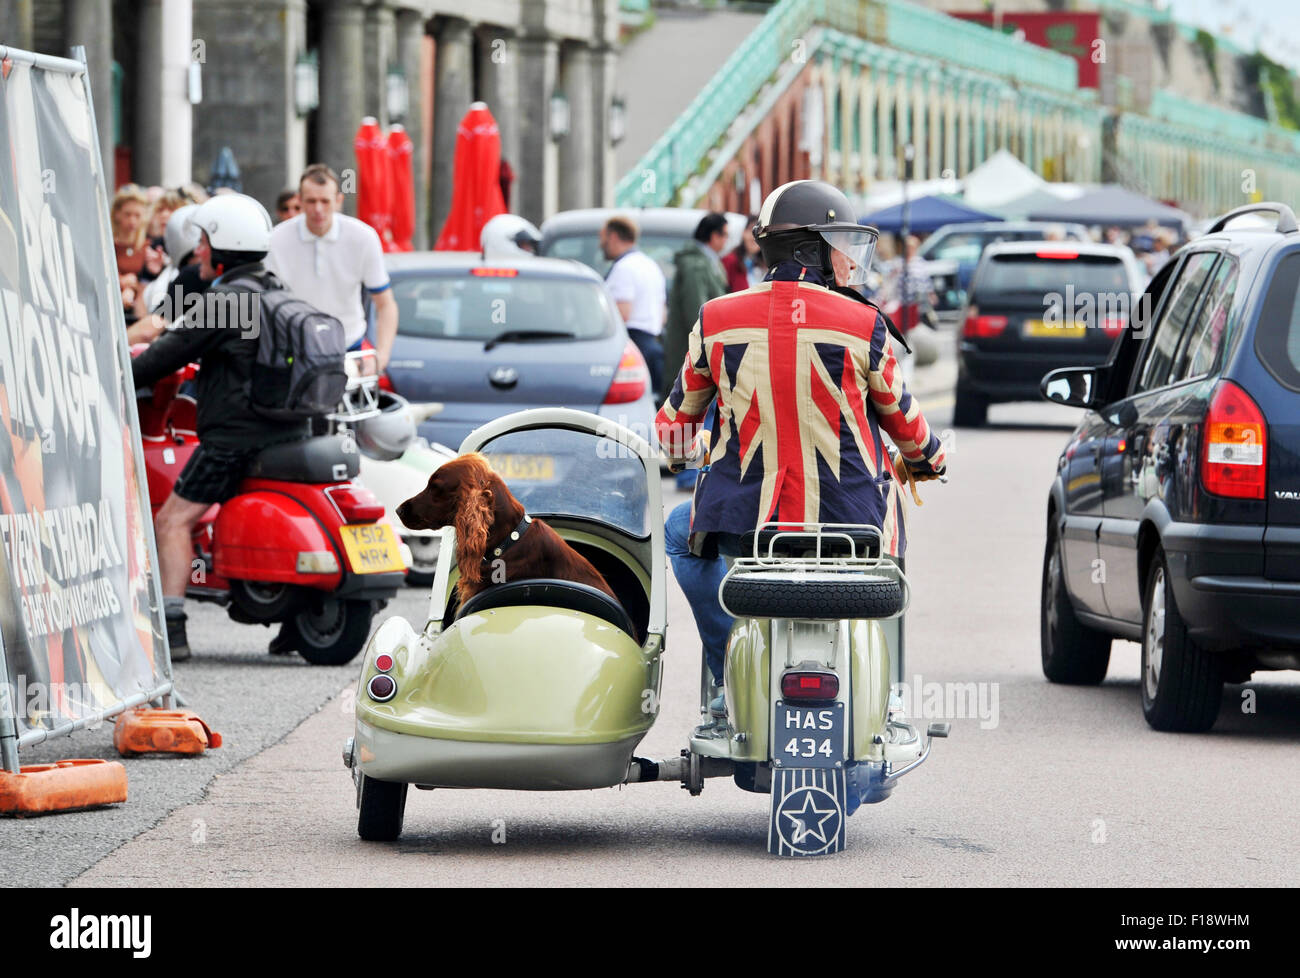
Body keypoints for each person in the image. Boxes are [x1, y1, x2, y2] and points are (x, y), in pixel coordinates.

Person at [656, 179, 947, 726]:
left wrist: (687, 453)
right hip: (850, 527)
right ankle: (887, 700)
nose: (849, 261)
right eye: (841, 245)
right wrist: (931, 460)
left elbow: (671, 428)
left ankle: (725, 673)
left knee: (677, 531)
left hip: (744, 529)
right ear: (812, 249)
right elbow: (910, 431)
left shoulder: (716, 318)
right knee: (890, 555)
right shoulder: (865, 325)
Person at [131, 194, 310, 660]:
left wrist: (111, 372)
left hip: (234, 439)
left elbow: (160, 358)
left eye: (205, 242)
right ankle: (296, 621)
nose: (200, 252)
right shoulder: (277, 288)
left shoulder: (225, 301)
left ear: (223, 247)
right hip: (291, 433)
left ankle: (172, 631)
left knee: (172, 520)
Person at [266, 163, 397, 372]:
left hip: (350, 351)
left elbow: (386, 304)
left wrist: (381, 357)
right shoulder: (276, 239)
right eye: (311, 201)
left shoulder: (363, 237)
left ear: (338, 200)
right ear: (299, 200)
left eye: (325, 201)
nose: (318, 209)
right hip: (295, 353)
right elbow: (264, 304)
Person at [662, 212, 728, 405]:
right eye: (725, 235)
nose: (726, 241)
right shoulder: (695, 264)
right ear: (714, 236)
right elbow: (696, 313)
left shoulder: (707, 260)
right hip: (692, 348)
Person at [600, 215, 667, 396]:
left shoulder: (624, 268)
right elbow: (663, 313)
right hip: (654, 344)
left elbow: (623, 313)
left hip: (633, 344)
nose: (601, 244)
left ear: (612, 237)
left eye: (603, 238)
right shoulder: (650, 265)